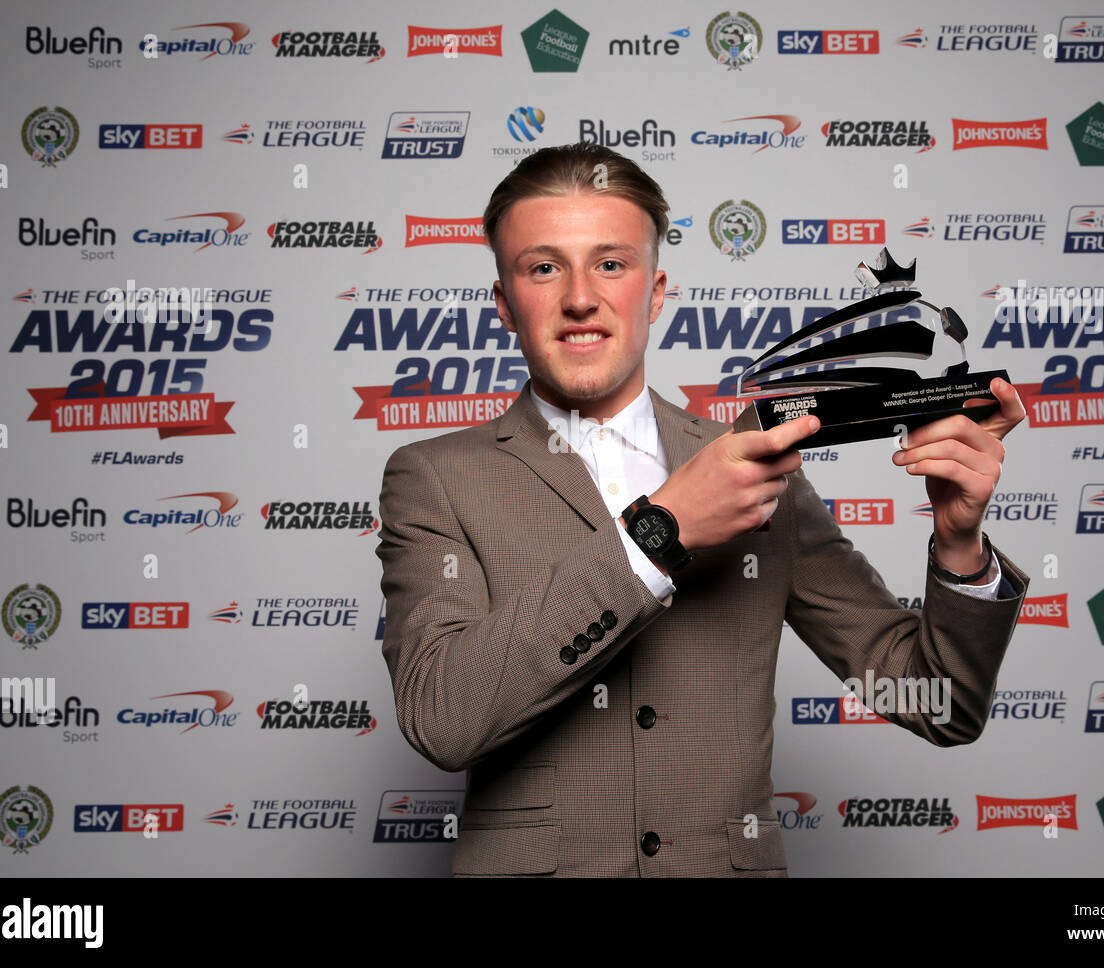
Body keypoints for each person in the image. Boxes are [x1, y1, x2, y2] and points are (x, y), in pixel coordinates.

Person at [376, 141, 1029, 877]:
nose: (581, 297)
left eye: (611, 263)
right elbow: (442, 719)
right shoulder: (435, 476)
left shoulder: (758, 463)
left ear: (655, 293)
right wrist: (659, 533)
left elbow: (939, 705)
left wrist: (959, 543)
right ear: (505, 303)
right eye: (544, 266)